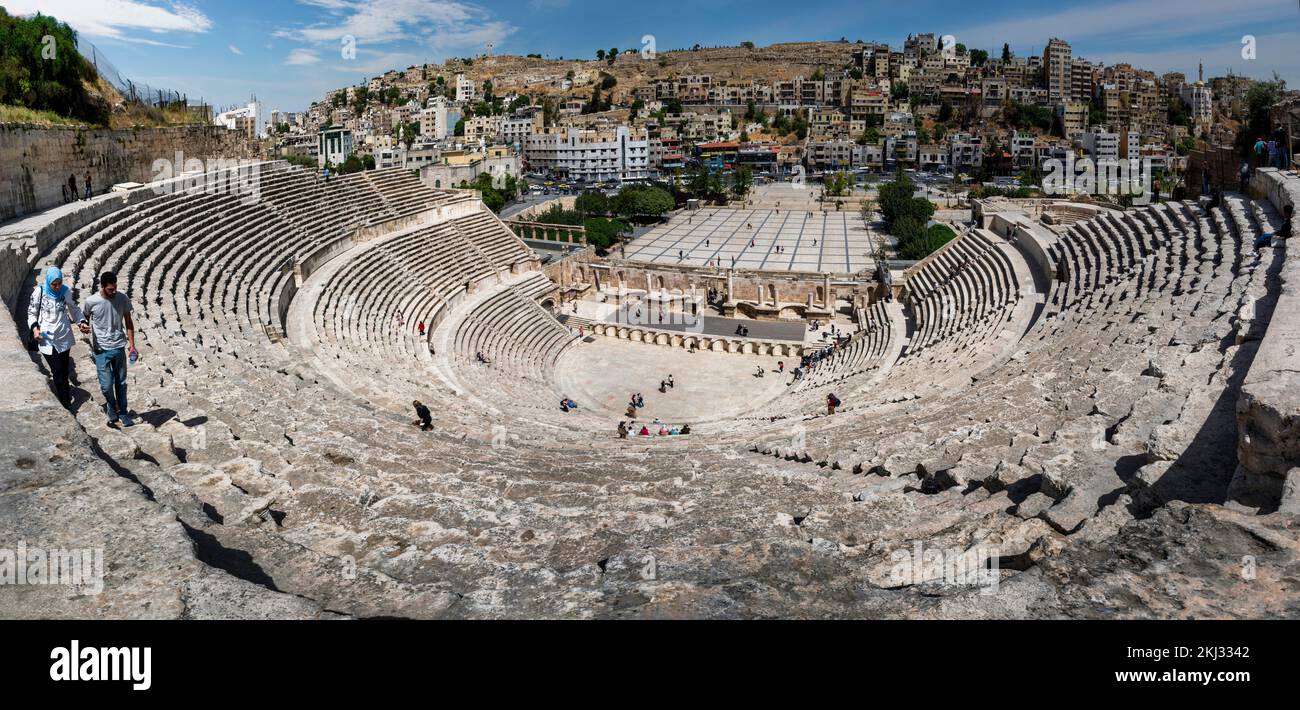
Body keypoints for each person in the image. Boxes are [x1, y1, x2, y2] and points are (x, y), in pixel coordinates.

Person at [28, 266, 89, 409]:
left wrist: (82, 322)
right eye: (54, 284)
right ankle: (65, 403)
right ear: (48, 282)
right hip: (46, 337)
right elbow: (31, 312)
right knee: (57, 370)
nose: (57, 287)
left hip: (63, 335)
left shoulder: (65, 291)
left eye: (59, 283)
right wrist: (35, 329)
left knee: (63, 368)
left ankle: (66, 395)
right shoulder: (39, 292)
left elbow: (74, 309)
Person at [83, 271, 137, 428]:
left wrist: (132, 345)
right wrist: (84, 326)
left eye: (115, 289)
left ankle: (123, 413)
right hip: (101, 349)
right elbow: (84, 317)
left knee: (121, 383)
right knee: (106, 386)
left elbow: (128, 321)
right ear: (102, 287)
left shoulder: (122, 298)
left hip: (119, 346)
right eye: (110, 290)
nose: (113, 292)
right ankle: (112, 407)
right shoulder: (91, 301)